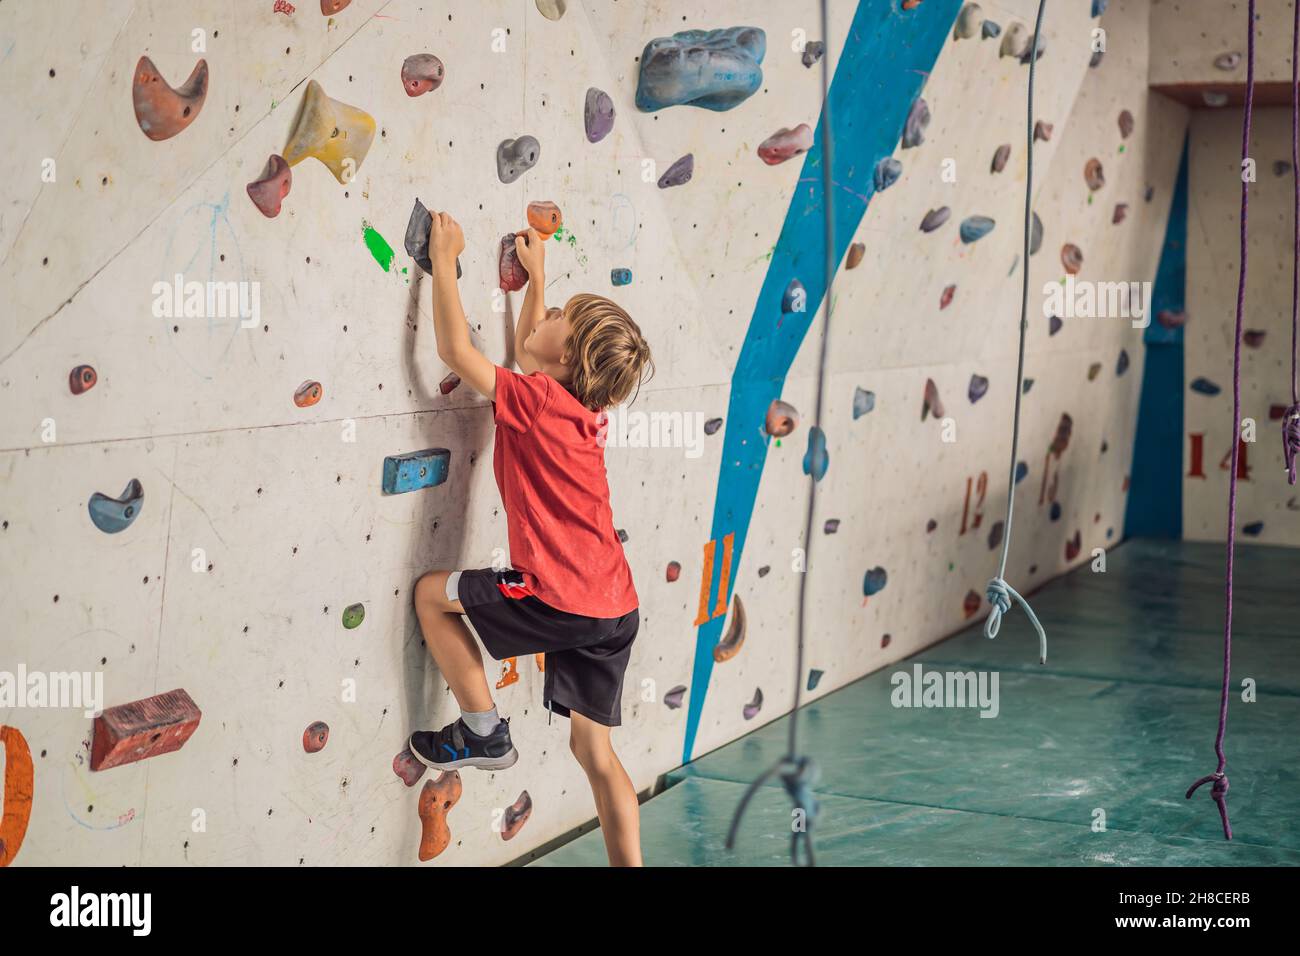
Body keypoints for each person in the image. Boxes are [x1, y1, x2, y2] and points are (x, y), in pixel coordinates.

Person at [407, 212, 653, 866]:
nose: (543, 317)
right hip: (615, 609)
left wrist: (444, 259)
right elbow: (527, 352)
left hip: (557, 598)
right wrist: (536, 280)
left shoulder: (538, 401)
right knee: (593, 753)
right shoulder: (583, 411)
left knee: (433, 596)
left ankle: (483, 731)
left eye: (556, 318)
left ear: (565, 357)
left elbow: (459, 354)